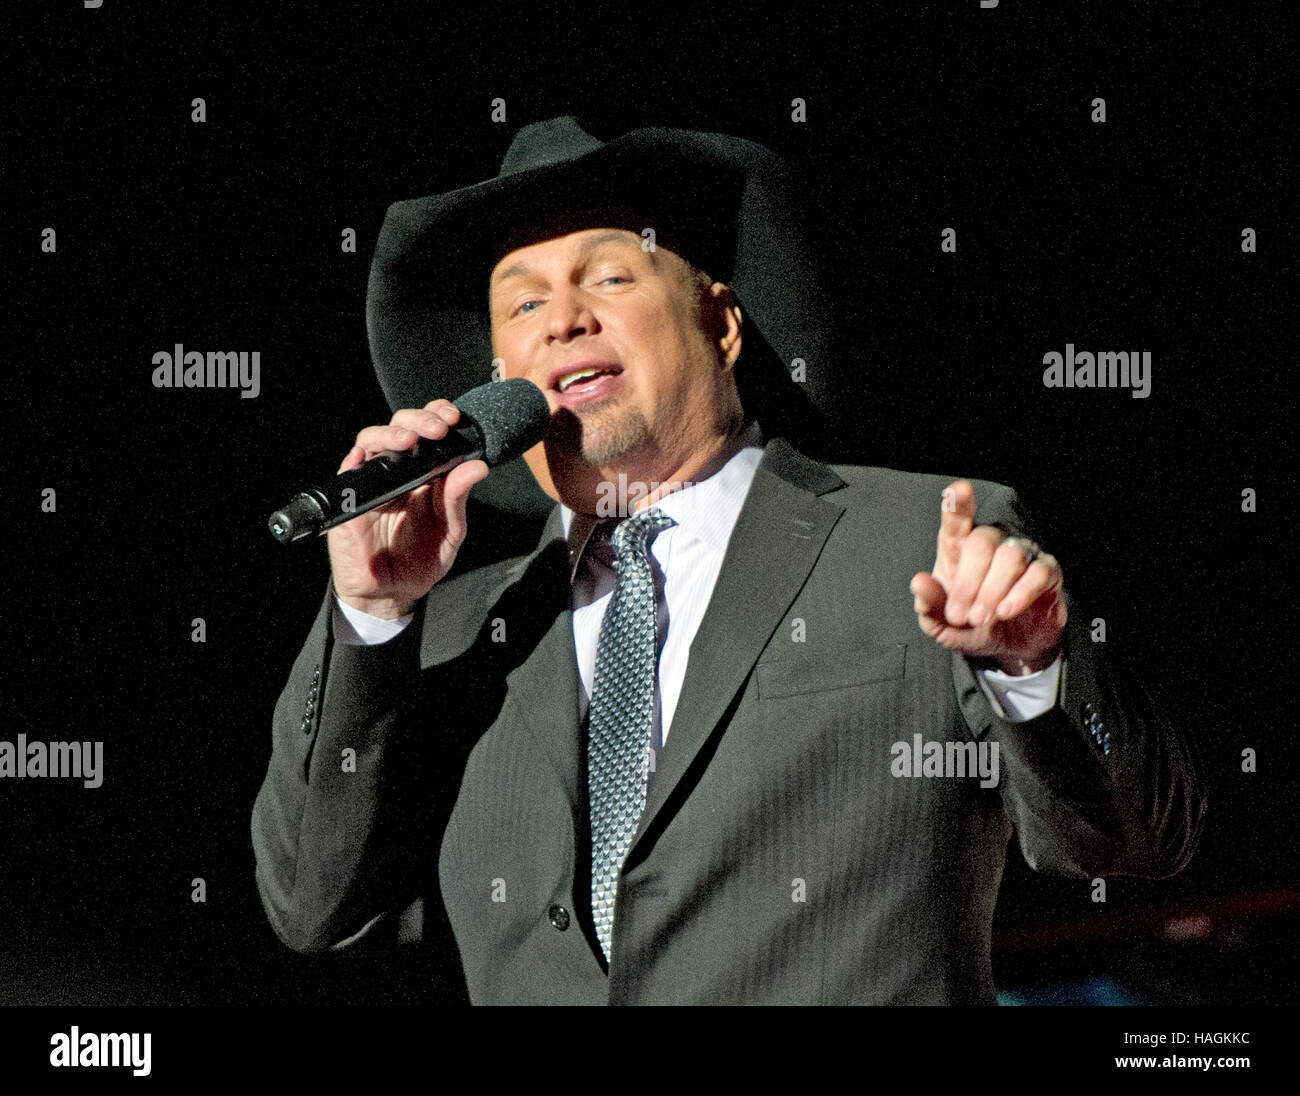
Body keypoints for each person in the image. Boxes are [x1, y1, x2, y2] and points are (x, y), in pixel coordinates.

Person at [251, 115, 1206, 1004]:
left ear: (721, 321)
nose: (563, 319)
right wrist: (369, 614)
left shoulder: (921, 538)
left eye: (611, 278)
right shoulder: (456, 630)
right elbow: (313, 908)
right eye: (523, 303)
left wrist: (1034, 670)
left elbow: (1136, 838)